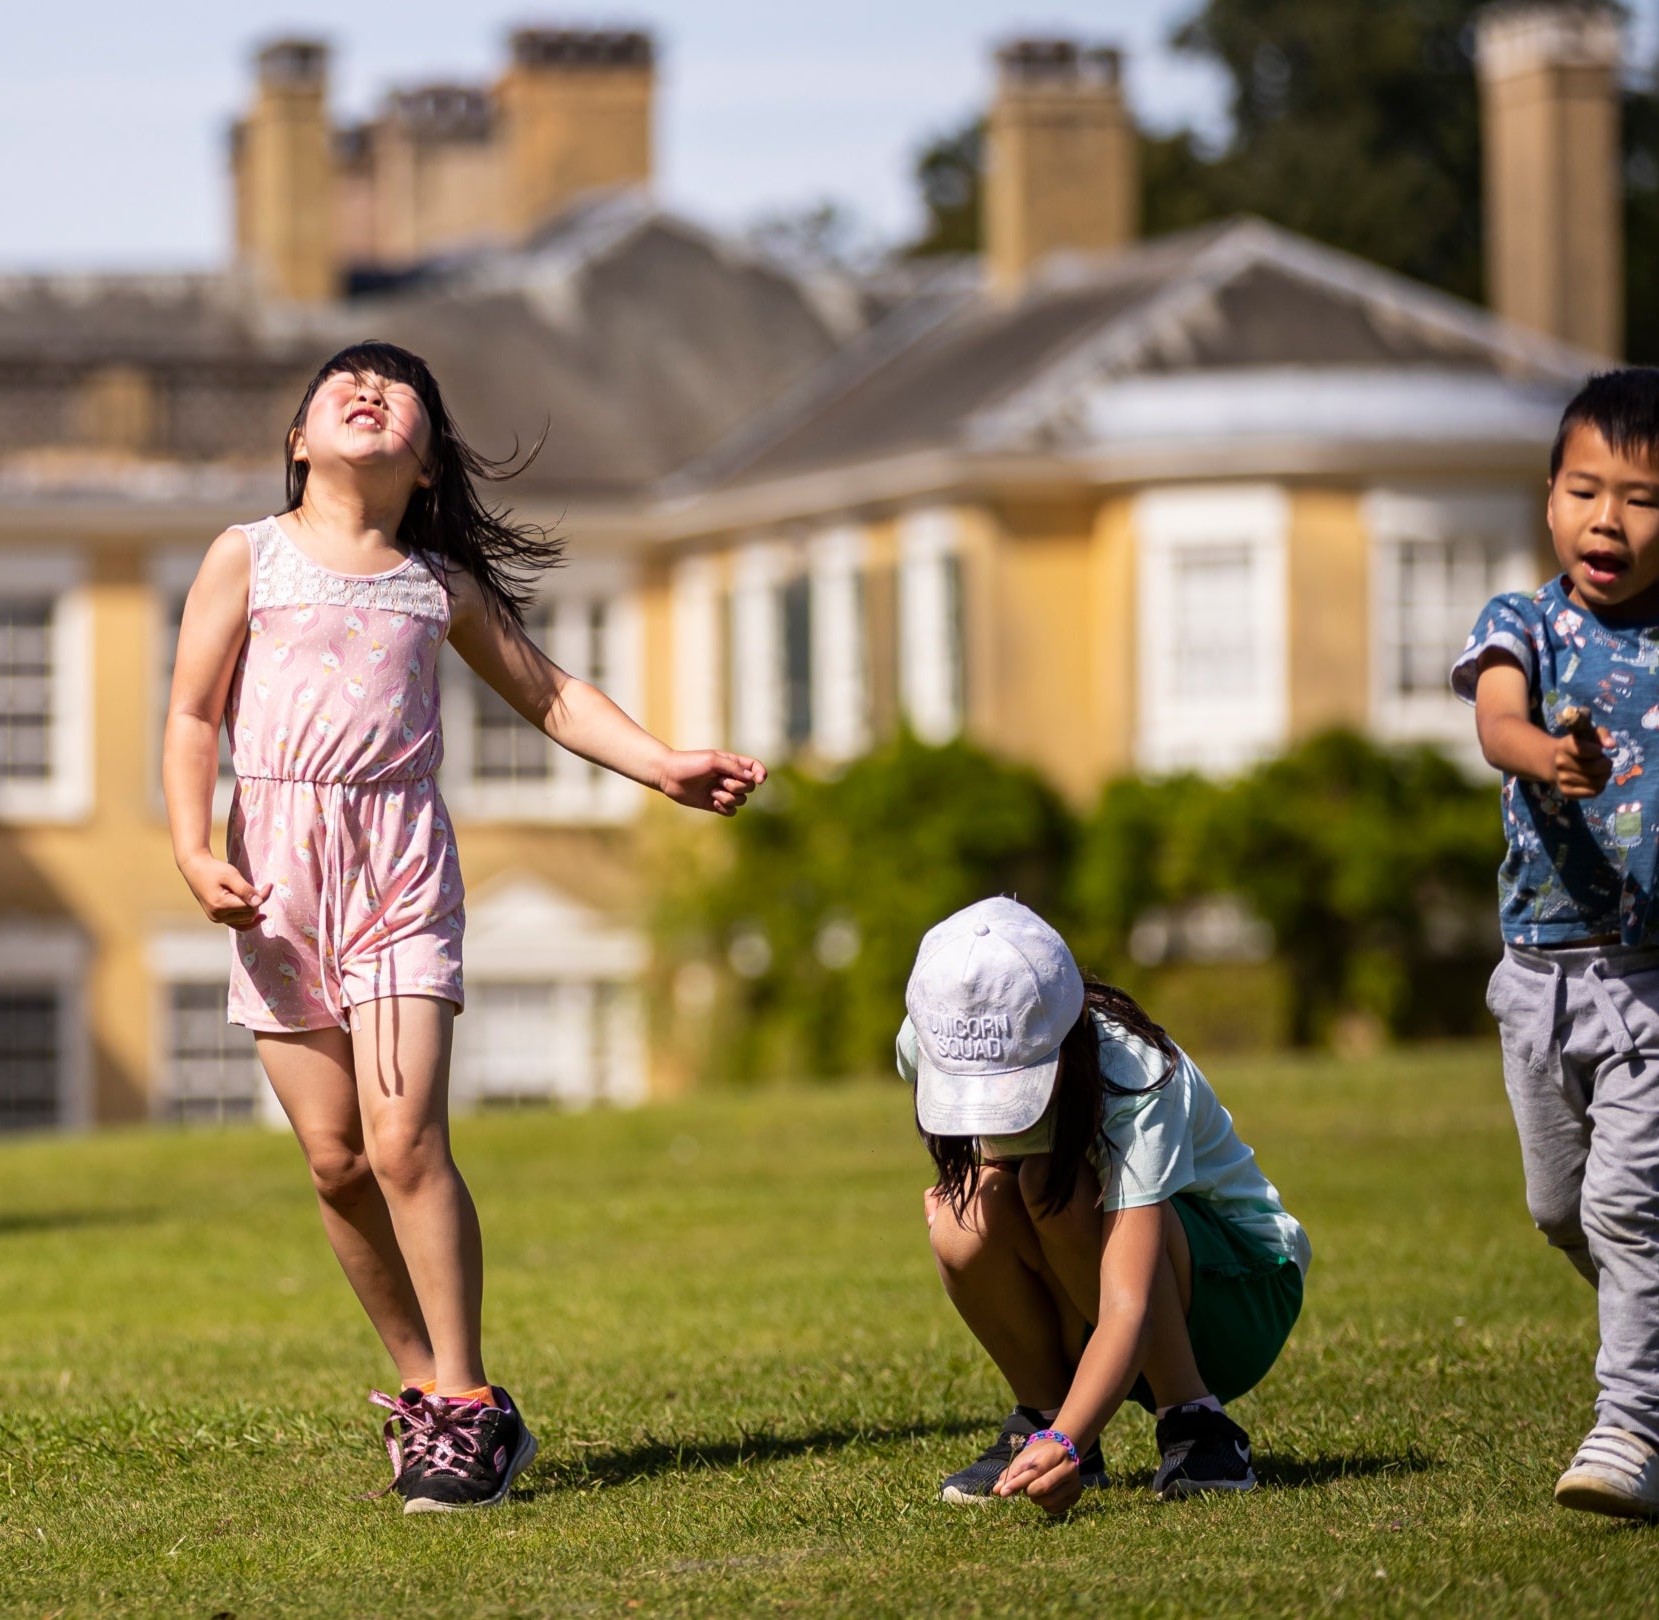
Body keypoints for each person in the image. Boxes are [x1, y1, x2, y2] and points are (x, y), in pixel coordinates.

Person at [161, 340, 764, 1511]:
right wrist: (192, 851)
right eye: (344, 382)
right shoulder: (246, 558)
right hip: (276, 875)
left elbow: (552, 695)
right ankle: (425, 1392)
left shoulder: (440, 585)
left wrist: (662, 767)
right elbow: (191, 716)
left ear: (428, 462)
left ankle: (474, 1407)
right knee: (337, 1165)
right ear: (298, 442)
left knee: (403, 1144)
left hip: (396, 869)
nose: (369, 390)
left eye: (401, 393)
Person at [1455, 365, 1659, 1519]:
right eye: (1587, 490)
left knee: (1622, 1207)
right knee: (1560, 1210)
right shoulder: (1522, 623)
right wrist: (1548, 753)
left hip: (1653, 987)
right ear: (1549, 498)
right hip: (1536, 981)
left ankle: (1630, 1434)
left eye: (1643, 498)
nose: (1611, 519)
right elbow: (1498, 716)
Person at [900, 897, 1309, 1516]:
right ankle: (1037, 1415)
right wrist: (1059, 1435)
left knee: (1054, 1187)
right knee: (964, 1221)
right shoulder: (926, 1036)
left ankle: (1194, 1421)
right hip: (1107, 1276)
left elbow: (1127, 1302)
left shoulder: (1135, 1072)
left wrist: (1069, 1437)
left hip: (1241, 1297)